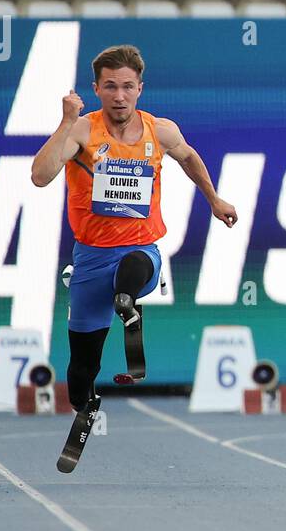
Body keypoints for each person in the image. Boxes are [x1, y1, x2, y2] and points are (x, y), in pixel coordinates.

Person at [30, 44, 236, 468]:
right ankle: (87, 407)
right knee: (80, 373)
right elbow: (40, 175)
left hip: (140, 252)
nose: (119, 96)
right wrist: (67, 120)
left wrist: (214, 199)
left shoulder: (160, 130)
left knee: (133, 272)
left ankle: (128, 305)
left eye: (127, 87)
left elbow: (189, 157)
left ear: (140, 88)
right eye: (110, 87)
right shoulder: (84, 132)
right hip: (89, 260)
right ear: (97, 89)